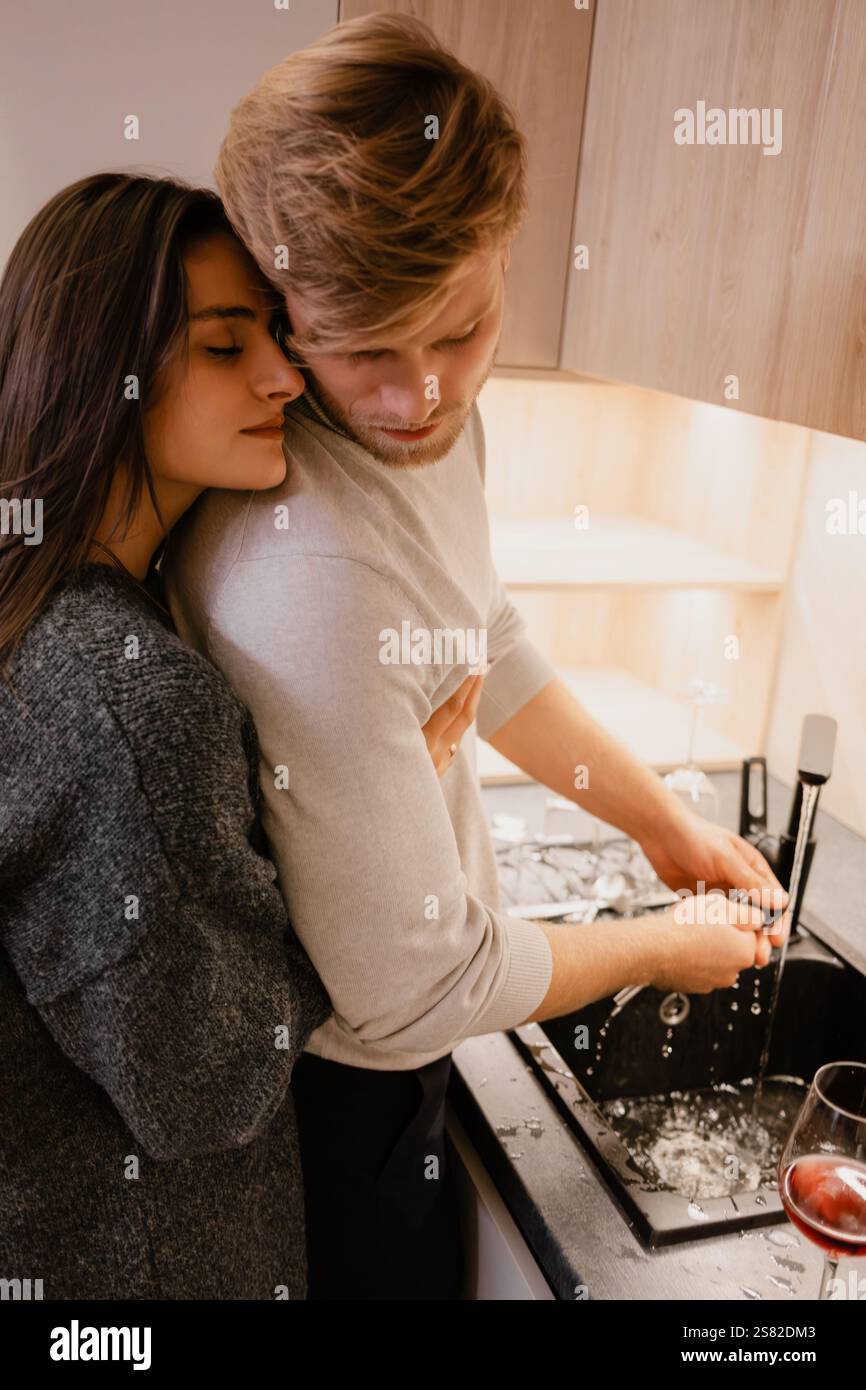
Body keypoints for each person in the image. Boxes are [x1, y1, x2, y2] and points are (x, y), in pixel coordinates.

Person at [163, 13, 788, 1300]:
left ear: (504, 248)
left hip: (407, 1019)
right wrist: (663, 944)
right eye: (359, 352)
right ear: (286, 312)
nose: (419, 400)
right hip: (336, 1101)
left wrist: (658, 820)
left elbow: (474, 629)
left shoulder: (433, 434)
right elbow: (410, 990)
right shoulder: (309, 575)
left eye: (455, 331)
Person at [0, 171, 481, 1300]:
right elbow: (205, 1079)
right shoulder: (125, 695)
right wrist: (358, 849)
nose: (282, 375)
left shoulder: (48, 607)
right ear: (95, 376)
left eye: (274, 332)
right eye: (225, 349)